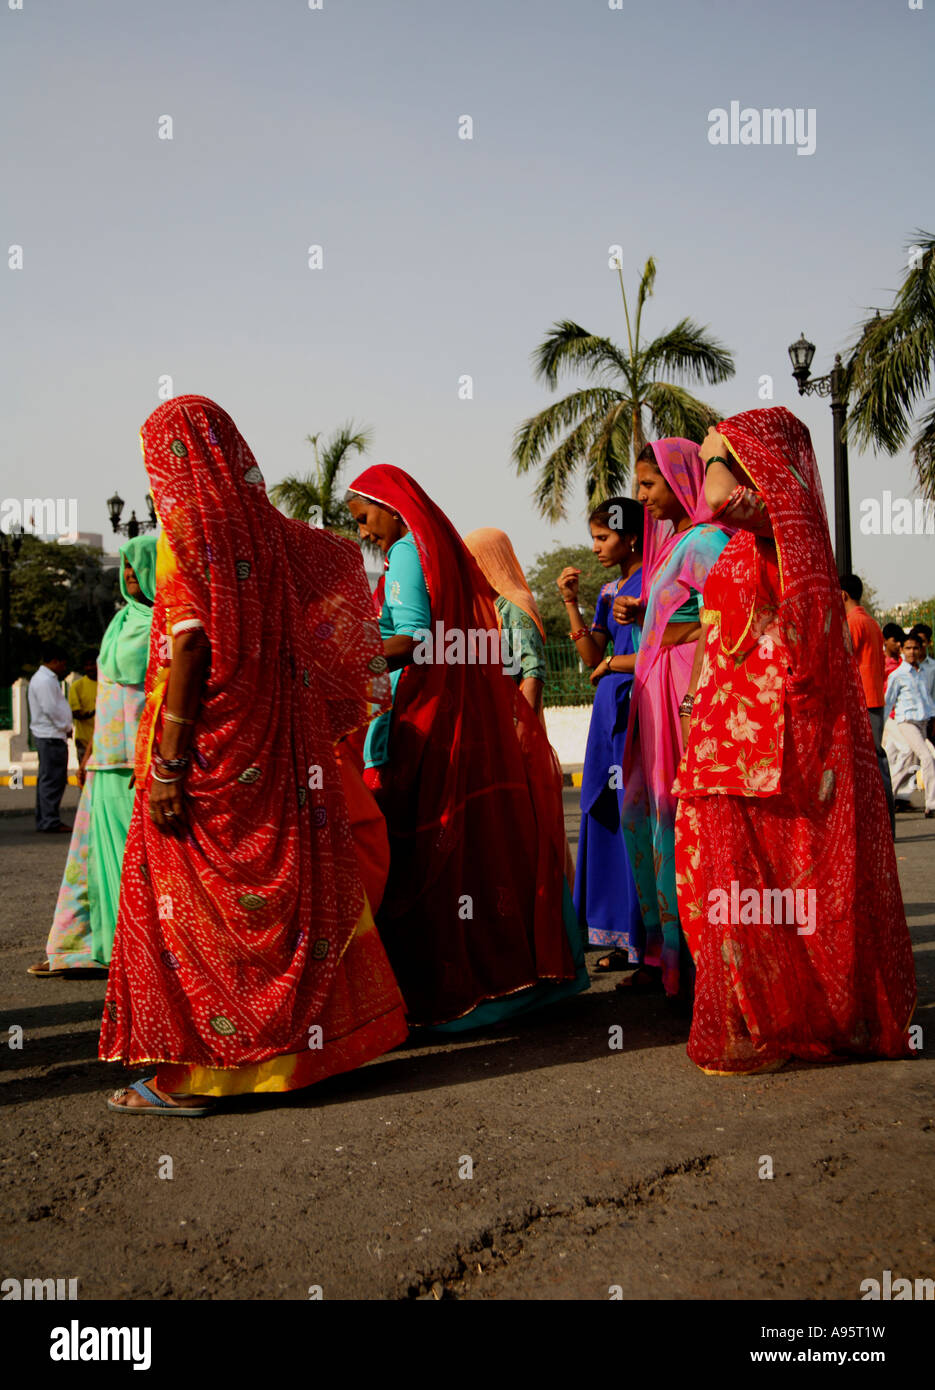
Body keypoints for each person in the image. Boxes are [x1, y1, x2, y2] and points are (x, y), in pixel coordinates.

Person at [102, 396, 409, 1115]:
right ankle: (309, 1054)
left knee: (197, 908)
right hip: (276, 753)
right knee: (288, 895)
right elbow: (336, 574)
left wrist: (171, 764)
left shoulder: (187, 535)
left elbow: (189, 643)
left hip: (209, 753)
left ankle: (208, 1073)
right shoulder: (270, 539)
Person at [673, 407, 916, 1074]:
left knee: (774, 885)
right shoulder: (738, 547)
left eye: (721, 452)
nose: (706, 464)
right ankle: (763, 1008)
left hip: (768, 747)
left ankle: (792, 1013)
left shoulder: (785, 529)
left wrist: (720, 447)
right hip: (722, 744)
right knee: (712, 883)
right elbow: (714, 638)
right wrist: (695, 708)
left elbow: (720, 499)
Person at [346, 465, 589, 1031]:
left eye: (364, 519)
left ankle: (444, 991)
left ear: (392, 507)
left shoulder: (407, 551)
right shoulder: (437, 549)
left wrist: (345, 662)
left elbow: (412, 637)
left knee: (420, 849)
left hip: (424, 717)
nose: (363, 533)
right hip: (456, 714)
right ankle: (509, 979)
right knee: (475, 846)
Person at [614, 442, 733, 1005]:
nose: (641, 499)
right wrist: (645, 615)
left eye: (648, 485)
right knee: (643, 809)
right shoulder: (672, 545)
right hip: (655, 691)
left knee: (680, 818)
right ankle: (667, 955)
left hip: (685, 690)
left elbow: (729, 618)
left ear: (680, 480)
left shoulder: (708, 540)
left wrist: (694, 697)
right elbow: (682, 610)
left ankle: (700, 964)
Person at [30, 539, 157, 977]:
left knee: (134, 858)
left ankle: (140, 945)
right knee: (94, 860)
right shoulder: (122, 620)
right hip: (106, 759)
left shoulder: (168, 623)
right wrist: (86, 753)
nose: (128, 578)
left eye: (136, 569)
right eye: (123, 570)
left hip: (141, 761)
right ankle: (91, 945)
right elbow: (108, 695)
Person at [556, 498, 644, 973]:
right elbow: (592, 656)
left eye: (603, 537)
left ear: (630, 536)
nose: (595, 547)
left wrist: (614, 662)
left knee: (635, 815)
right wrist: (571, 603)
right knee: (605, 816)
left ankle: (645, 938)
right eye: (592, 537)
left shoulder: (654, 580)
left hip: (640, 707)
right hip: (608, 710)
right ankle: (616, 932)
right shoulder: (610, 591)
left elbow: (666, 649)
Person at [463, 528, 547, 717]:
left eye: (474, 561)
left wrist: (526, 726)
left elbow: (532, 669)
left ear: (493, 560)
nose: (469, 570)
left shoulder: (513, 605)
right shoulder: (485, 607)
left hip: (513, 717)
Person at [840, 574, 894, 834]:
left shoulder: (854, 623)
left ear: (842, 596)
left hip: (864, 701)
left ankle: (881, 826)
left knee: (873, 762)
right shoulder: (870, 621)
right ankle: (885, 825)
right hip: (875, 699)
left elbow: (843, 658)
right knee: (876, 761)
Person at [883, 632, 935, 818]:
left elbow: (927, 699)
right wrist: (880, 725)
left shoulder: (921, 672)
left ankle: (887, 797)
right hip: (906, 722)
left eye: (915, 648)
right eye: (908, 648)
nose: (912, 652)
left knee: (908, 764)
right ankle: (932, 804)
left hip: (922, 722)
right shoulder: (898, 674)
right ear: (902, 650)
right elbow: (888, 701)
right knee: (927, 757)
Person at [27, 642, 73, 833]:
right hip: (51, 735)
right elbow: (51, 709)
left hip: (49, 735)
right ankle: (50, 821)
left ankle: (46, 819)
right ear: (54, 661)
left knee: (48, 779)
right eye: (63, 664)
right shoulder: (45, 681)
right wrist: (65, 727)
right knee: (53, 780)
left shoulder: (44, 679)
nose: (64, 668)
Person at [68, 648, 98, 765]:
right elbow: (75, 713)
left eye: (93, 664)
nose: (90, 668)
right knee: (85, 776)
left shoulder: (108, 684)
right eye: (87, 665)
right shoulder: (77, 687)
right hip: (84, 741)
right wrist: (93, 713)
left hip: (105, 741)